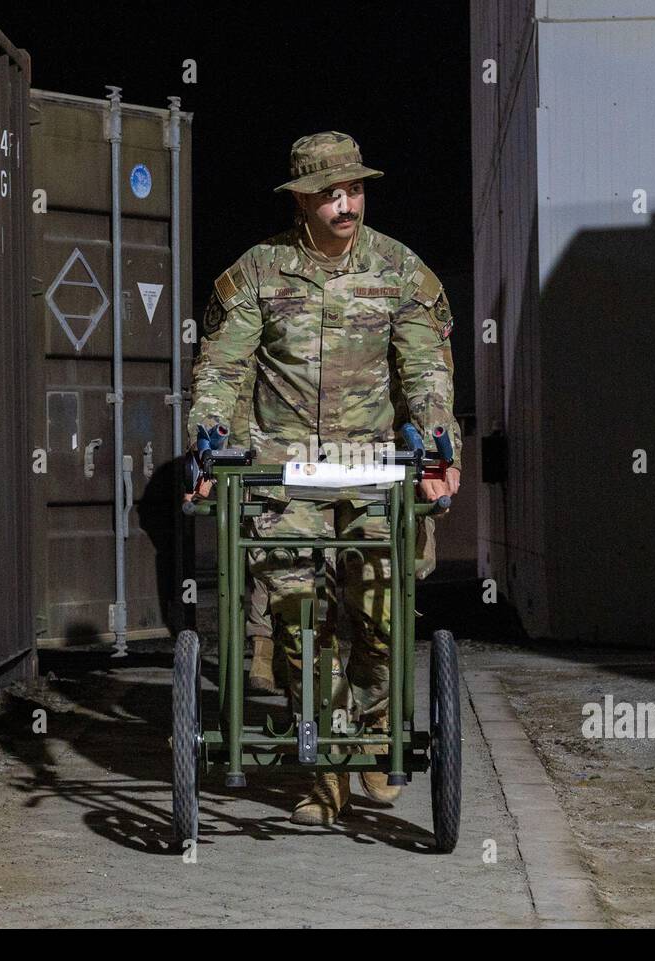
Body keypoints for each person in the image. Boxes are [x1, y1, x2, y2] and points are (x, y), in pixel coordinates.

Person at [185, 131, 461, 825]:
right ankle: (325, 766)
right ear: (302, 201)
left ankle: (373, 727)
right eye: (331, 194)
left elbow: (425, 370)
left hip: (374, 468)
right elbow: (222, 369)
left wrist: (438, 450)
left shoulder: (399, 270)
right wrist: (210, 447)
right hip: (285, 473)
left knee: (381, 611)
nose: (347, 205)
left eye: (355, 190)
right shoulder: (258, 271)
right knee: (299, 620)